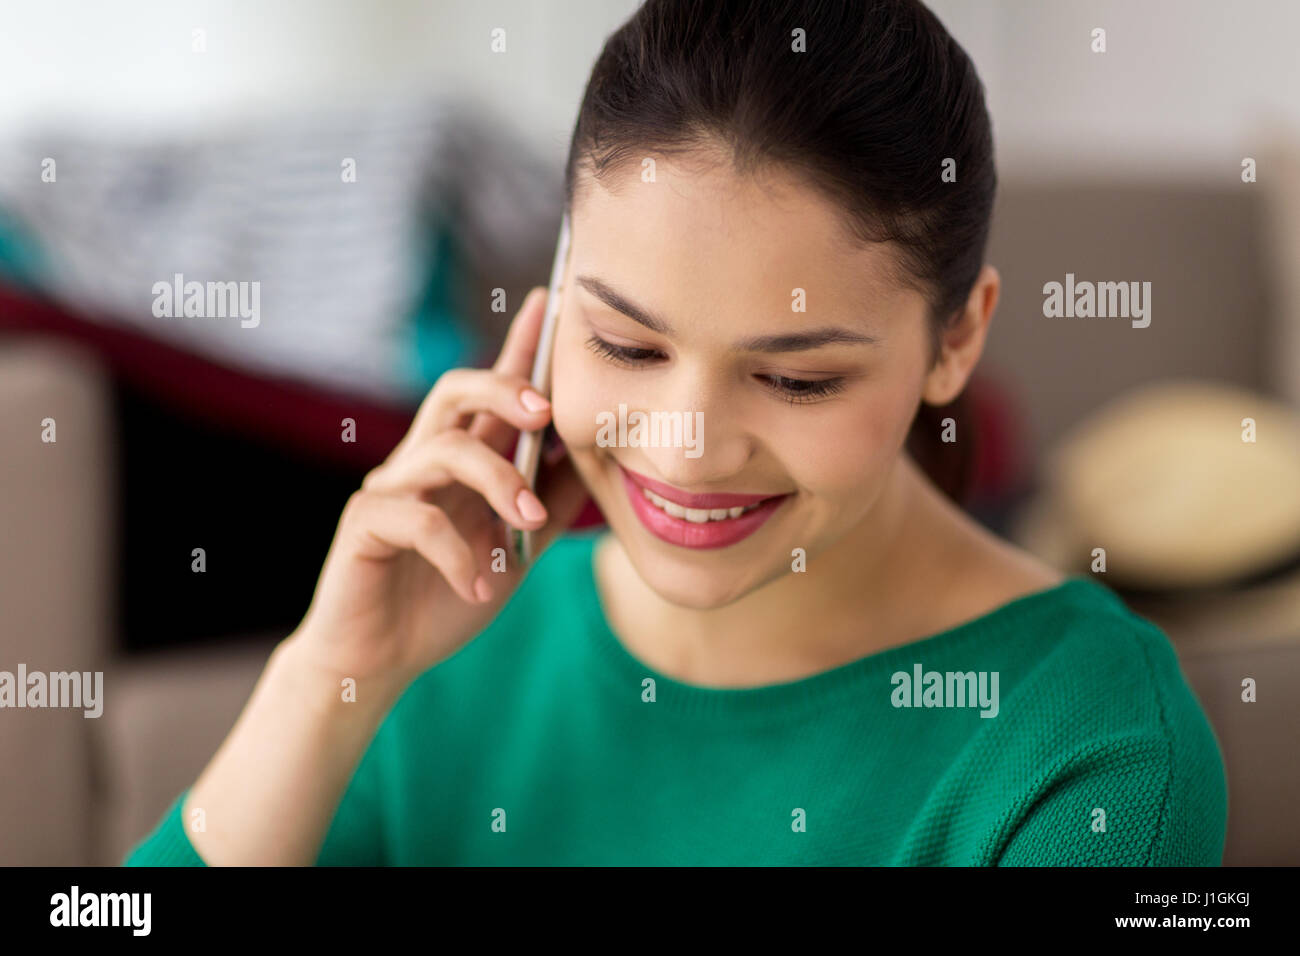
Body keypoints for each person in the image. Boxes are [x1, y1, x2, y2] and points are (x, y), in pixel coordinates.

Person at [124, 0, 1227, 866]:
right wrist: (328, 678)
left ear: (956, 339)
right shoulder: (445, 642)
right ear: (557, 292)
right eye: (626, 344)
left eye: (795, 377)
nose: (688, 448)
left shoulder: (1093, 747)